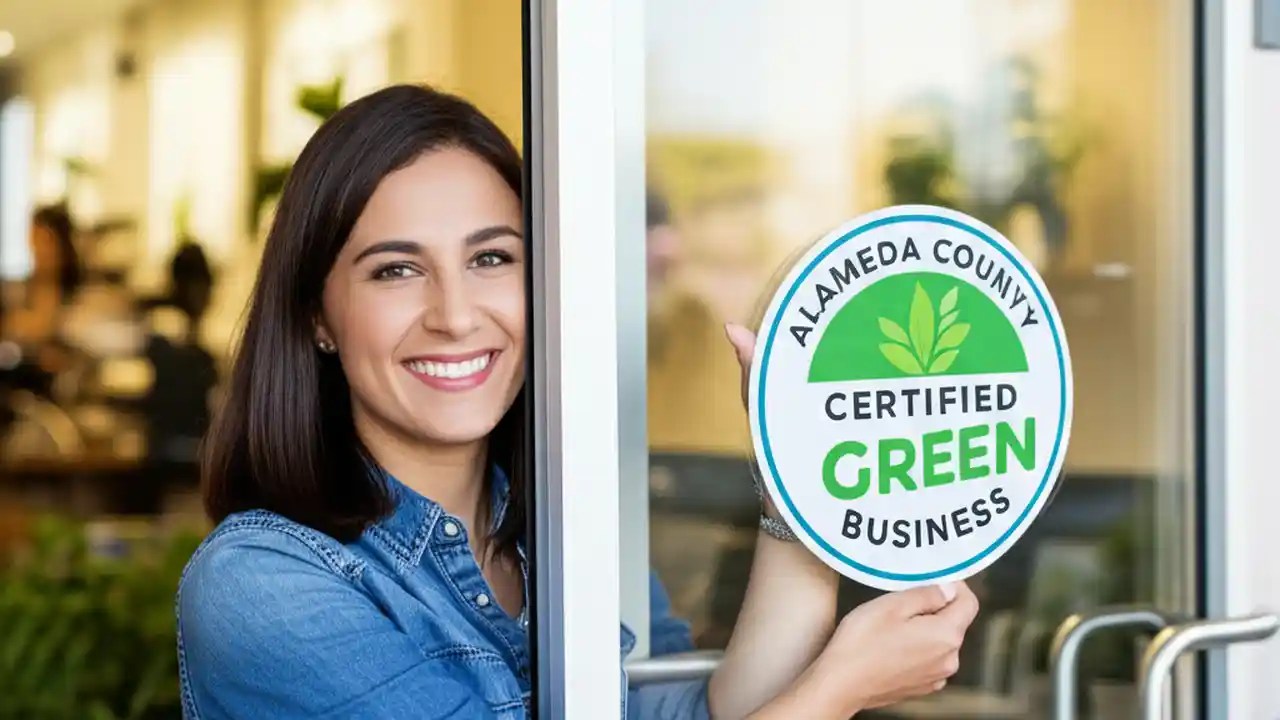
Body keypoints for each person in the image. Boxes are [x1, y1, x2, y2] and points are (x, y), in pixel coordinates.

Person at [176, 84, 979, 720]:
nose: (456, 315)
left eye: (492, 258)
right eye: (396, 269)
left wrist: (793, 479)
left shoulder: (573, 541)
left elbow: (708, 716)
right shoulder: (262, 585)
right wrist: (835, 692)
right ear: (317, 314)